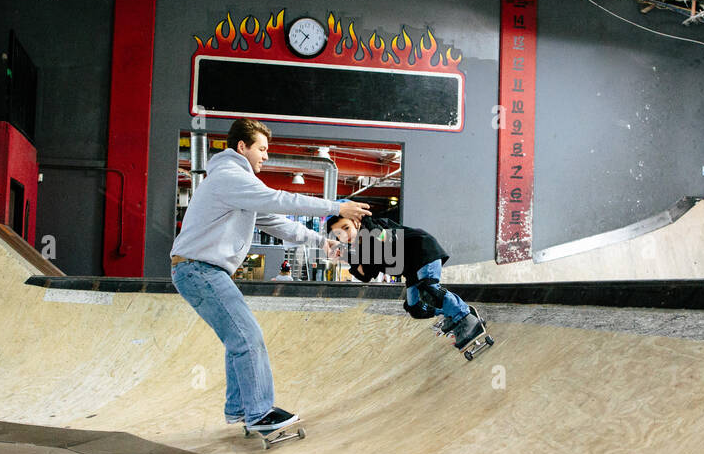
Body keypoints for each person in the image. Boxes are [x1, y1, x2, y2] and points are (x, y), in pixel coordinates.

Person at [170, 118, 370, 433]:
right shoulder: (231, 177)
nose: (265, 156)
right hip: (199, 269)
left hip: (200, 270)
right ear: (242, 147)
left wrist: (322, 242)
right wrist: (337, 206)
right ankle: (260, 413)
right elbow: (281, 199)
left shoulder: (235, 185)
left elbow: (278, 222)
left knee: (239, 338)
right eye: (261, 149)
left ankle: (239, 409)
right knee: (248, 337)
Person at [324, 209, 485, 350]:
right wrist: (342, 256)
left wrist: (366, 220)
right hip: (411, 270)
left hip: (423, 252)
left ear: (355, 222)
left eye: (346, 228)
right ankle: (453, 313)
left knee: (428, 291)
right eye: (339, 234)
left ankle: (464, 317)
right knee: (416, 308)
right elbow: (365, 275)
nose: (346, 235)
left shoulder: (372, 226)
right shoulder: (361, 250)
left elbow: (384, 237)